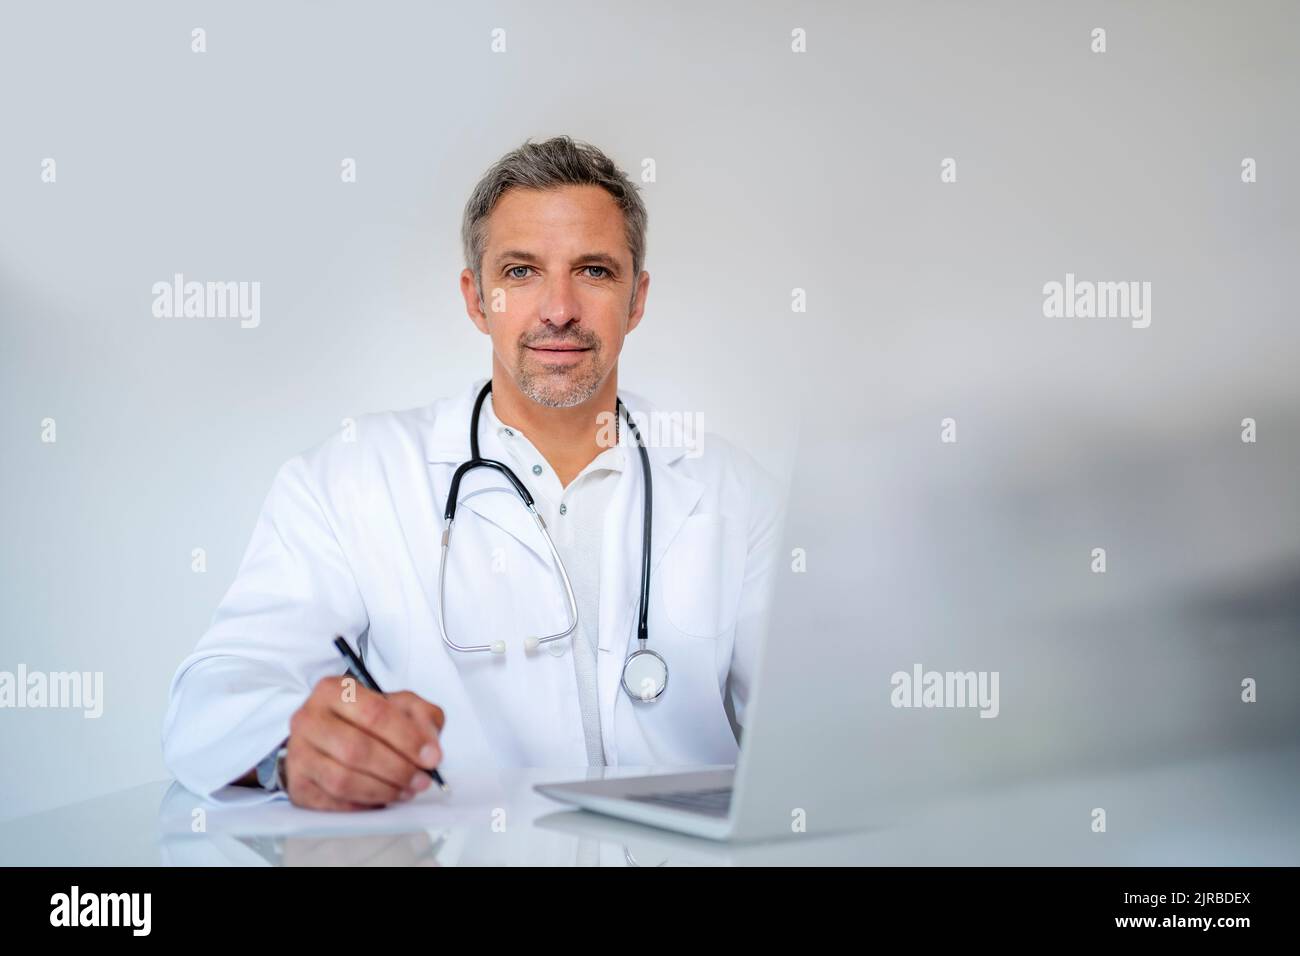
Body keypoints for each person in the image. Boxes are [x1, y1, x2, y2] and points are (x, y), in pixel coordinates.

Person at [161, 135, 784, 811]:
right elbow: (213, 697)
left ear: (637, 299)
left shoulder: (731, 491)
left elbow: (815, 721)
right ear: (475, 298)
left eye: (595, 271)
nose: (559, 309)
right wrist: (288, 750)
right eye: (520, 272)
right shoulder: (354, 478)